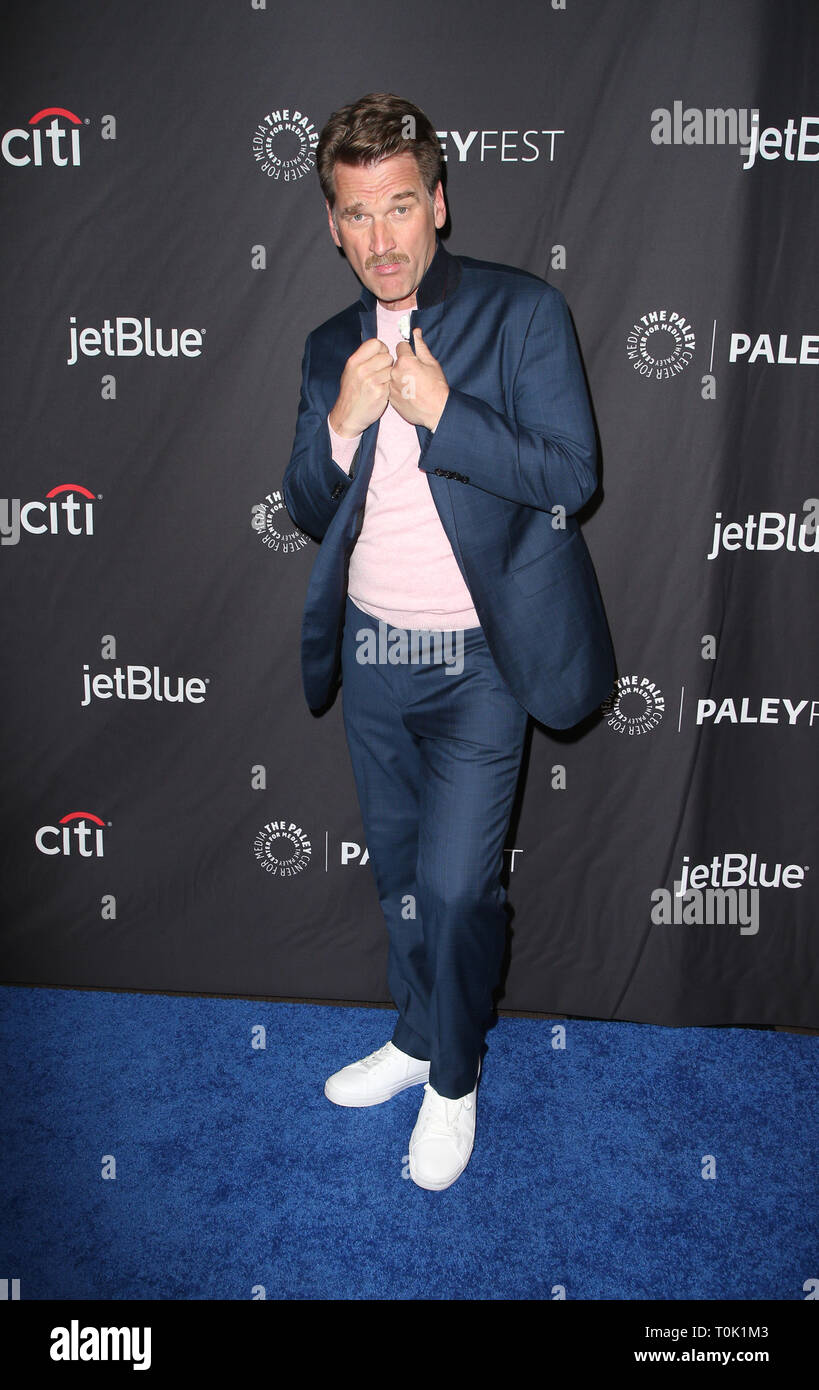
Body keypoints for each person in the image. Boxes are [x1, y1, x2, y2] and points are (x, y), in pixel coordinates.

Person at [283, 93, 615, 1191]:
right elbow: (302, 504)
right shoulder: (330, 342)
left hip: (480, 661)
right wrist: (339, 422)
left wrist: (443, 411)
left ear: (440, 205)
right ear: (333, 225)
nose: (383, 239)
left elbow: (572, 474)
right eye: (357, 214)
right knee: (401, 883)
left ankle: (455, 1078)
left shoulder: (522, 315)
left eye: (402, 206)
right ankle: (417, 1034)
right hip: (376, 653)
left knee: (463, 891)